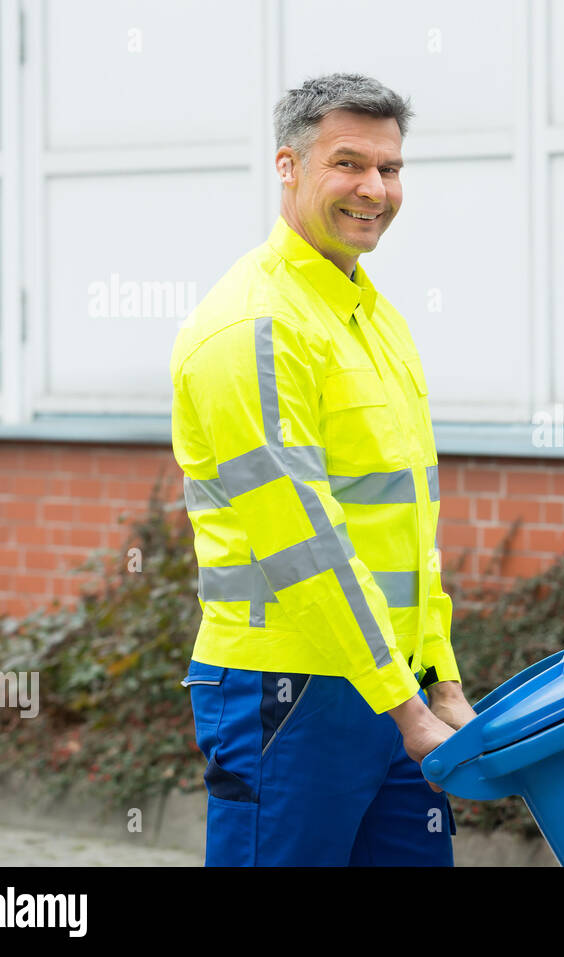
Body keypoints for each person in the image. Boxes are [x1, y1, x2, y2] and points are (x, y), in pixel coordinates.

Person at [169, 72, 477, 866]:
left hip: (392, 684)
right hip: (288, 692)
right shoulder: (254, 329)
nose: (374, 188)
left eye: (391, 168)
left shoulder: (374, 318)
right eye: (349, 163)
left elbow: (407, 529)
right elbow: (306, 544)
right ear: (288, 166)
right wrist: (406, 706)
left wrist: (438, 677)